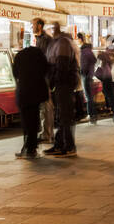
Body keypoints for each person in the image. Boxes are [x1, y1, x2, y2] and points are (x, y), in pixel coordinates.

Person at [45, 22, 79, 157]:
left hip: (64, 83)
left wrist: (53, 82)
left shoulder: (63, 43)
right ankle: (59, 144)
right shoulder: (59, 42)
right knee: (61, 116)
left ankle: (69, 147)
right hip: (61, 83)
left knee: (65, 115)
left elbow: (62, 65)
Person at [12, 39, 49, 159]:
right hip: (37, 92)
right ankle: (31, 148)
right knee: (34, 120)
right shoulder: (40, 56)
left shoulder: (19, 56)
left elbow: (15, 73)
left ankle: (28, 147)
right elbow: (46, 70)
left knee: (26, 121)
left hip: (23, 92)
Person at [31, 18, 54, 144]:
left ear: (39, 26)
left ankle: (47, 134)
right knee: (44, 105)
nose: (32, 27)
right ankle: (46, 132)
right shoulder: (40, 39)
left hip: (45, 76)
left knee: (46, 105)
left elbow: (46, 59)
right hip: (41, 75)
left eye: (33, 24)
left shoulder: (46, 39)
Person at [96, 38, 114, 122]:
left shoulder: (105, 53)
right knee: (112, 96)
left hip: (107, 77)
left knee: (110, 95)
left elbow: (98, 64)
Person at [78, 33, 99, 123]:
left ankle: (91, 115)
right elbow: (94, 60)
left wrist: (81, 72)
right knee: (89, 96)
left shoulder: (83, 51)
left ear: (80, 40)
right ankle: (93, 115)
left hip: (85, 76)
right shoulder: (89, 50)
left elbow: (84, 65)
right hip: (89, 75)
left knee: (88, 96)